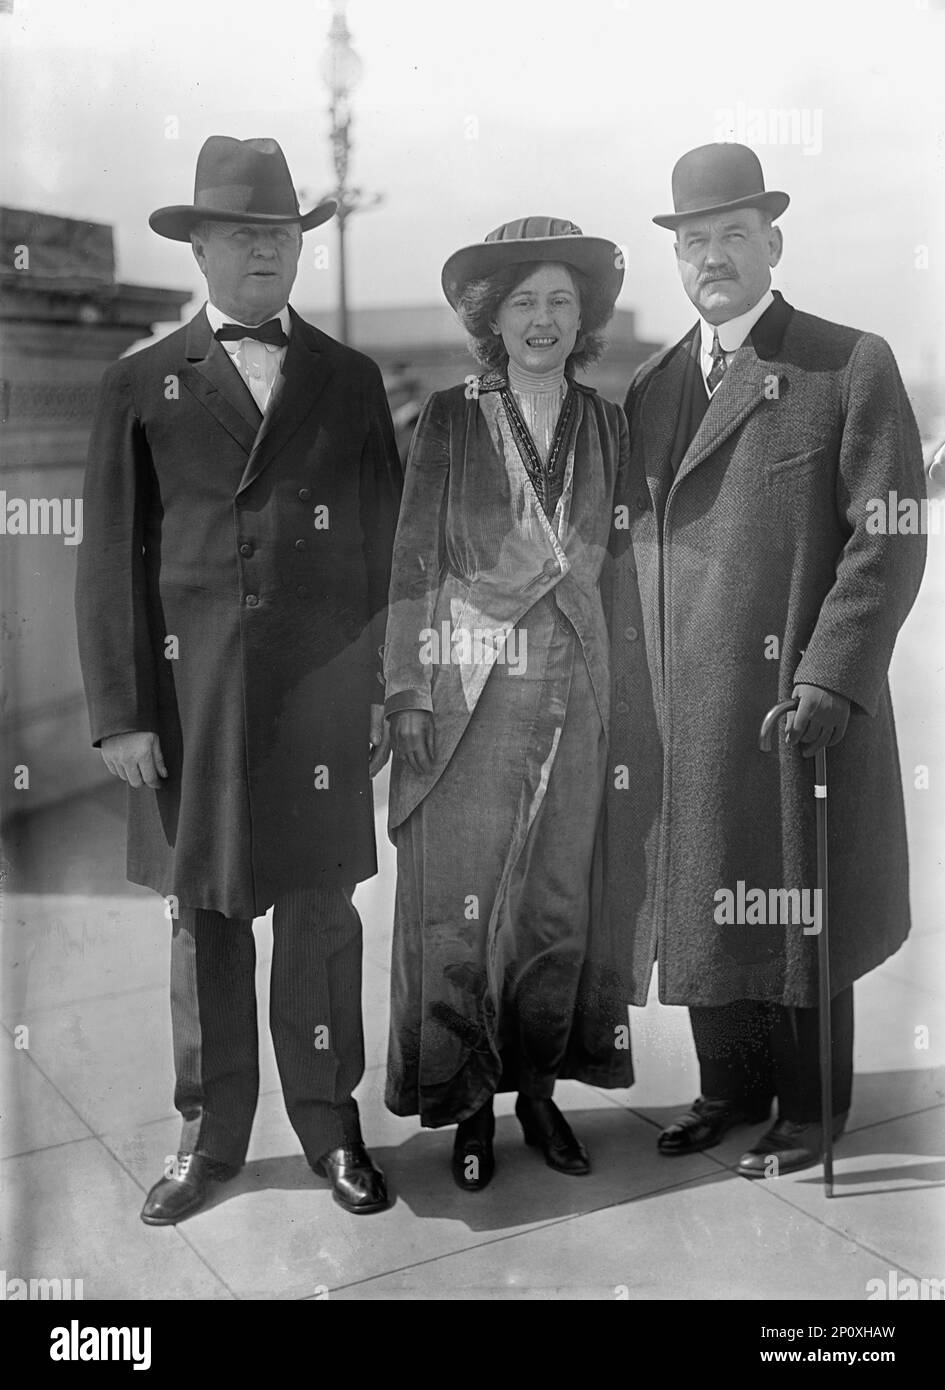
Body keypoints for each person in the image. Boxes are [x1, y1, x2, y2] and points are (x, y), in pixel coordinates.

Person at [75, 136, 403, 1223]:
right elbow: (110, 559)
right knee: (204, 920)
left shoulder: (350, 382)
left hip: (318, 714)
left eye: (281, 234)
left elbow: (387, 555)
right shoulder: (140, 383)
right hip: (193, 711)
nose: (265, 251)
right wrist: (121, 714)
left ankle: (331, 1127)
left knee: (320, 921)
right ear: (201, 247)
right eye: (242, 234)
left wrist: (383, 693)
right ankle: (207, 1140)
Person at [605, 142, 927, 1176]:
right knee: (705, 895)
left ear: (771, 243)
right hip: (682, 706)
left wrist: (831, 672)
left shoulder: (847, 361)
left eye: (732, 235)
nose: (712, 257)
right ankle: (730, 1088)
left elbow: (889, 529)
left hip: (792, 702)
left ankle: (812, 1107)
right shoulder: (651, 388)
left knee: (795, 901)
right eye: (693, 240)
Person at [383, 217, 633, 1192]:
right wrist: (405, 687)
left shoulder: (608, 422)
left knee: (555, 907)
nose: (543, 320)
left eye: (561, 302)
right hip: (469, 696)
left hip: (577, 695)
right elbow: (413, 560)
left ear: (584, 317)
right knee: (459, 910)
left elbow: (624, 576)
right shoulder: (449, 416)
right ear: (494, 316)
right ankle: (467, 1108)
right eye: (524, 302)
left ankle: (537, 1090)